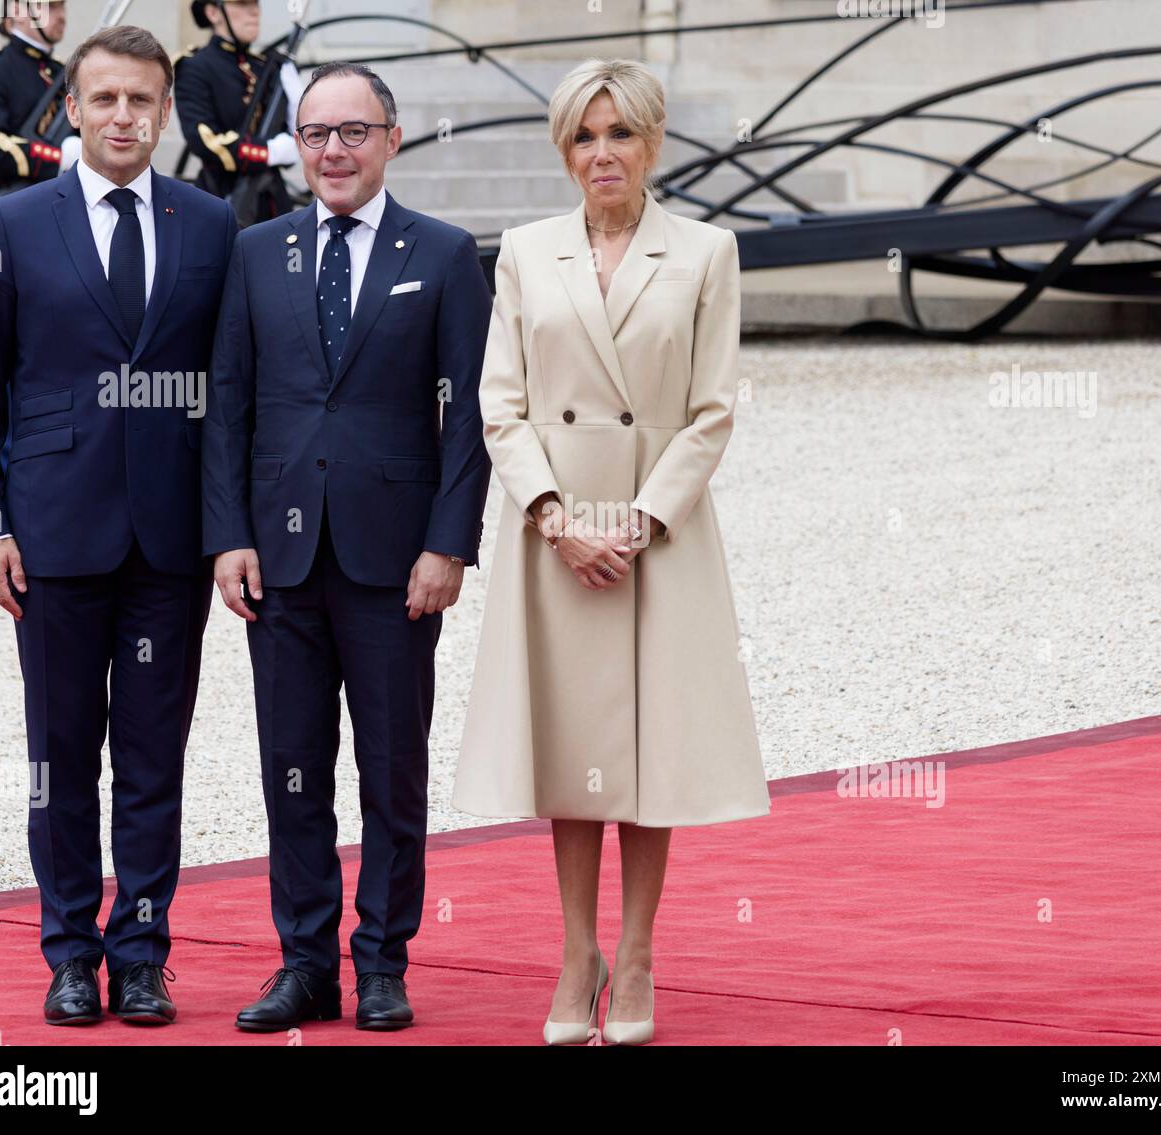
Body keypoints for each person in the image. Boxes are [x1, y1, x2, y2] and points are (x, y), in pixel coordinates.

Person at [453, 58, 771, 1045]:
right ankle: (573, 950)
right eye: (585, 136)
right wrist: (554, 516)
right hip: (555, 533)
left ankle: (634, 954)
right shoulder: (524, 249)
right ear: (563, 148)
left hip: (655, 536)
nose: (602, 154)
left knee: (651, 746)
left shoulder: (707, 251)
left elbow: (714, 410)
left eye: (619, 134)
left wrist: (638, 519)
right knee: (575, 747)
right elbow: (497, 400)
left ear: (653, 141)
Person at [0, 25, 238, 1026]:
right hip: (52, 539)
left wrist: (229, 525)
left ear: (165, 110)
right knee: (60, 760)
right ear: (71, 109)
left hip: (168, 546)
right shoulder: (18, 226)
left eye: (141, 101)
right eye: (105, 99)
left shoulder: (211, 224)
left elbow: (228, 391)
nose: (124, 117)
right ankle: (69, 950)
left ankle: (143, 952)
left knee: (153, 761)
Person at [203, 61, 493, 1032]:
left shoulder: (447, 256)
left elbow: (467, 418)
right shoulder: (255, 252)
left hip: (394, 563)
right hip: (279, 564)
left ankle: (381, 962)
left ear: (392, 139)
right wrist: (227, 537)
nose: (333, 150)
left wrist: (449, 543)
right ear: (296, 143)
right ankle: (304, 963)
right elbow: (228, 409)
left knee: (390, 769)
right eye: (316, 132)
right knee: (291, 769)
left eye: (354, 131)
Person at [173, 0, 300, 219]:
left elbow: (290, 133)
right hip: (223, 195)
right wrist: (269, 152)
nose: (254, 12)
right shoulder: (195, 66)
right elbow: (204, 139)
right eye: (242, 4)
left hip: (273, 200)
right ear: (213, 12)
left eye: (255, 4)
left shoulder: (265, 67)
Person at [0, 0, 76, 211]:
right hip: (11, 206)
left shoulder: (63, 73)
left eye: (62, 6)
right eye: (50, 6)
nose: (61, 15)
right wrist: (59, 158)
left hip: (65, 205)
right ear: (17, 10)